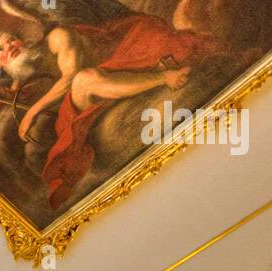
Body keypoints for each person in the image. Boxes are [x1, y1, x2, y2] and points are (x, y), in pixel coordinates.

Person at [19, 0, 228, 208]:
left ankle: (162, 72)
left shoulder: (85, 24)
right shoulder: (56, 35)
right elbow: (70, 78)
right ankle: (164, 77)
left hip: (120, 58)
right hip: (89, 90)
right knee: (85, 79)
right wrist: (33, 111)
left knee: (175, 40)